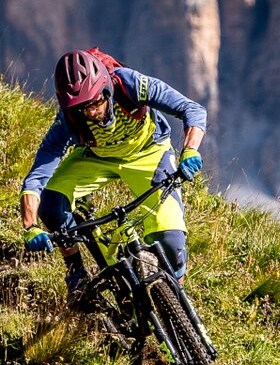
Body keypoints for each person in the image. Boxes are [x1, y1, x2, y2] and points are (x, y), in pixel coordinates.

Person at [20, 49, 206, 298]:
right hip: (97, 158)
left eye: (96, 103)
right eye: (83, 109)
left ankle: (180, 298)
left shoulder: (129, 83)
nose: (92, 113)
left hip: (149, 153)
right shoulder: (69, 118)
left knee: (172, 244)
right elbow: (35, 179)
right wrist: (30, 226)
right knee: (51, 203)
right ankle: (76, 274)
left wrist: (190, 150)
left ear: (107, 89)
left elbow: (192, 109)